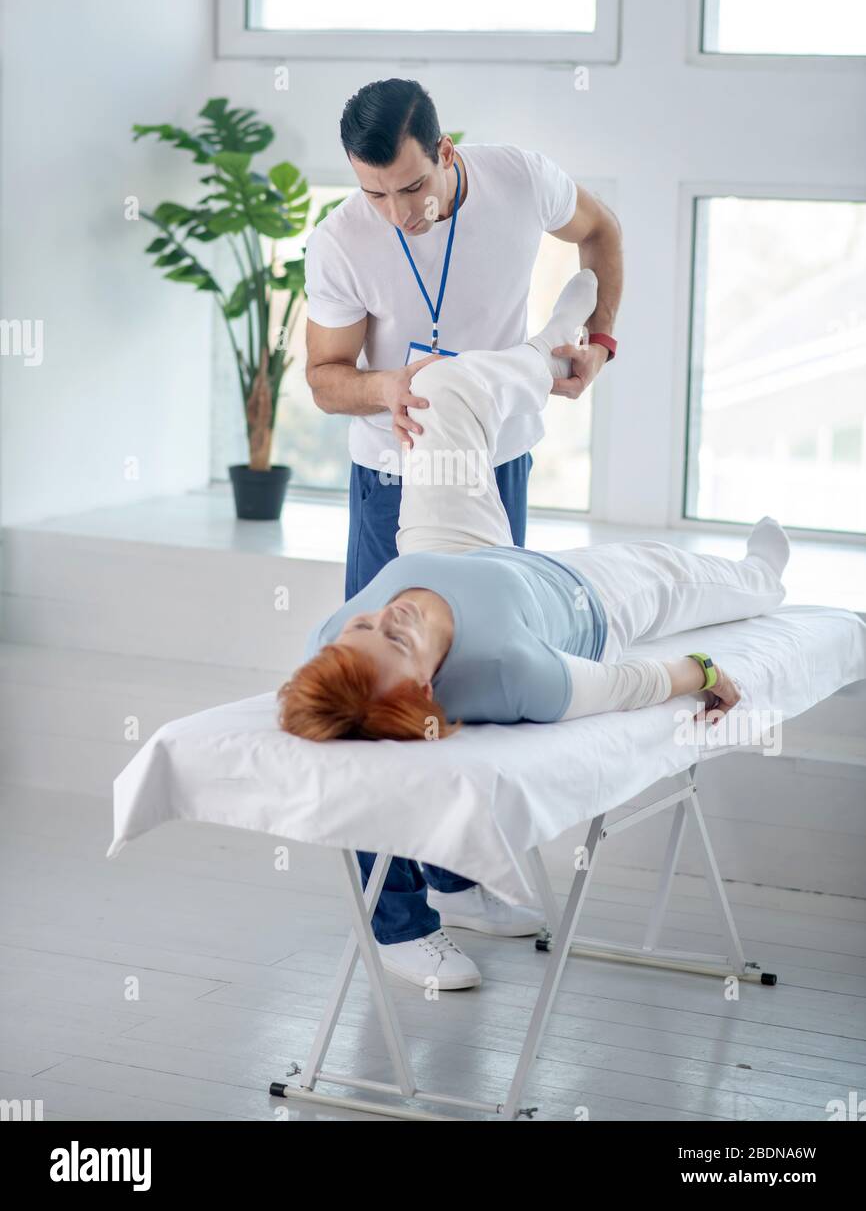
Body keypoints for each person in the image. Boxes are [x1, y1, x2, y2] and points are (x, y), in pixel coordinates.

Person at [280, 269, 791, 990]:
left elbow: (340, 670)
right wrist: (700, 673)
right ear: (427, 683)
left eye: (364, 622)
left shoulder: (333, 646)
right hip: (585, 601)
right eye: (393, 637)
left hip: (449, 546)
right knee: (687, 576)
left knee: (440, 391)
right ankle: (764, 577)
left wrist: (364, 640)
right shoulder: (519, 671)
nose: (385, 614)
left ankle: (549, 350)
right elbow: (623, 684)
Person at [301, 77, 624, 973]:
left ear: (446, 152)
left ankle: (453, 877)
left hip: (498, 458)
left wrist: (600, 338)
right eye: (373, 194)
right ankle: (396, 922)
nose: (396, 212)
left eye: (410, 187)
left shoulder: (520, 180)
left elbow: (602, 232)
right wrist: (386, 387)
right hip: (391, 478)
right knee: (383, 693)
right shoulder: (341, 240)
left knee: (475, 670)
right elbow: (326, 376)